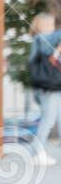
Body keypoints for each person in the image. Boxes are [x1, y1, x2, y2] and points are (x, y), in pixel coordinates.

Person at [28, 12, 61, 166]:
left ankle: (38, 152)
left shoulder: (44, 41)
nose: (53, 28)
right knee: (48, 120)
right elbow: (51, 46)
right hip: (49, 87)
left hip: (52, 86)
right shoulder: (41, 39)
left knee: (58, 119)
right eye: (50, 24)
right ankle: (38, 153)